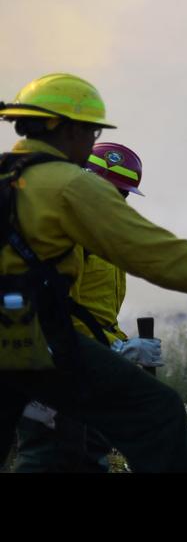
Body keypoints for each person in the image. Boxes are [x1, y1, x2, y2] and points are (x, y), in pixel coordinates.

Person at [1, 73, 187, 473]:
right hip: (28, 337)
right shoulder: (70, 185)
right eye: (91, 130)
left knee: (60, 456)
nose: (91, 139)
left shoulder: (8, 176)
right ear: (67, 129)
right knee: (157, 412)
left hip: (16, 335)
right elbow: (155, 253)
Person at [12, 141, 157, 472]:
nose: (115, 202)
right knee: (49, 458)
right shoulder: (61, 237)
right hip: (54, 370)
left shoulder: (102, 238)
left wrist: (120, 347)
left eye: (121, 195)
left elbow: (96, 314)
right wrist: (118, 350)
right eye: (108, 192)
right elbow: (52, 314)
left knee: (89, 457)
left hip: (86, 373)